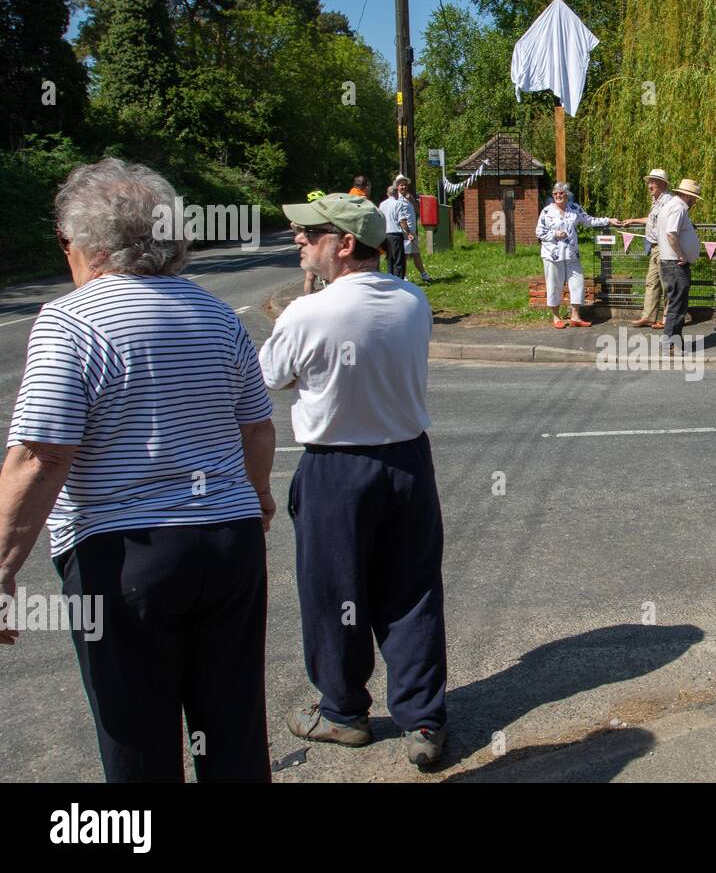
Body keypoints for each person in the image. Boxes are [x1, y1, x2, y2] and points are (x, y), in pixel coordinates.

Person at [0, 158, 276, 782]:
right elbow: (256, 427)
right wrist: (256, 497)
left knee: (137, 739)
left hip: (123, 556)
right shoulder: (217, 316)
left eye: (64, 244)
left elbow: (41, 455)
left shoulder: (71, 322)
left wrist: (2, 568)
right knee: (232, 726)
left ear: (89, 247)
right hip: (228, 544)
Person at [260, 192, 449, 769]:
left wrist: (304, 310)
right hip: (408, 462)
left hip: (336, 469)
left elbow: (271, 375)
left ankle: (344, 712)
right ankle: (423, 719)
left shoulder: (307, 313)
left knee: (335, 592)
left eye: (310, 234)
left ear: (344, 245)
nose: (299, 240)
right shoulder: (414, 300)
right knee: (413, 590)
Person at [535, 182, 620, 329]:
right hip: (552, 255)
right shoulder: (546, 212)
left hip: (571, 254)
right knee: (554, 285)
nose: (558, 196)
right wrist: (555, 234)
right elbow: (539, 232)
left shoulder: (574, 208)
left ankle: (575, 316)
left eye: (561, 193)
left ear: (566, 195)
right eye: (555, 194)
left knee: (577, 283)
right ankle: (556, 317)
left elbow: (589, 221)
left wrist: (608, 220)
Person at [658, 179, 703, 351]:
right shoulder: (677, 208)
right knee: (678, 304)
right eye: (694, 197)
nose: (695, 201)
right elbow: (671, 233)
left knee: (677, 302)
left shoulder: (670, 206)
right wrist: (681, 254)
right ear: (687, 195)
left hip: (671, 262)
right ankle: (670, 343)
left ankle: (673, 341)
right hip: (675, 263)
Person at [626, 168, 672, 328]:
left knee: (667, 284)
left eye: (652, 182)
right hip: (654, 247)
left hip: (663, 247)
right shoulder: (657, 201)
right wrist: (633, 220)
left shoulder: (667, 201)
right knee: (651, 282)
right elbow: (651, 220)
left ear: (662, 184)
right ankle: (649, 316)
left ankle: (667, 319)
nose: (649, 185)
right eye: (649, 182)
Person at [379, 175, 417, 281]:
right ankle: (399, 281)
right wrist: (409, 232)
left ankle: (390, 279)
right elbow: (402, 221)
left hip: (386, 234)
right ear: (396, 193)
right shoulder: (398, 204)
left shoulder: (382, 204)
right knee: (399, 260)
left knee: (390, 259)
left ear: (387, 194)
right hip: (396, 234)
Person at [396, 184, 434, 285]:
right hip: (404, 232)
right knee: (406, 255)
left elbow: (418, 210)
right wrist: (407, 232)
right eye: (401, 185)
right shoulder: (397, 199)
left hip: (412, 231)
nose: (403, 187)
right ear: (397, 187)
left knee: (416, 253)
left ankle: (424, 274)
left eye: (405, 185)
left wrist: (412, 201)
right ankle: (403, 276)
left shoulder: (409, 197)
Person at [304, 188, 327, 294]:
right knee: (311, 275)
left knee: (310, 276)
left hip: (316, 245)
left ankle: (307, 300)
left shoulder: (306, 215)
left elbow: (293, 225)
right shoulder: (326, 213)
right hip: (320, 246)